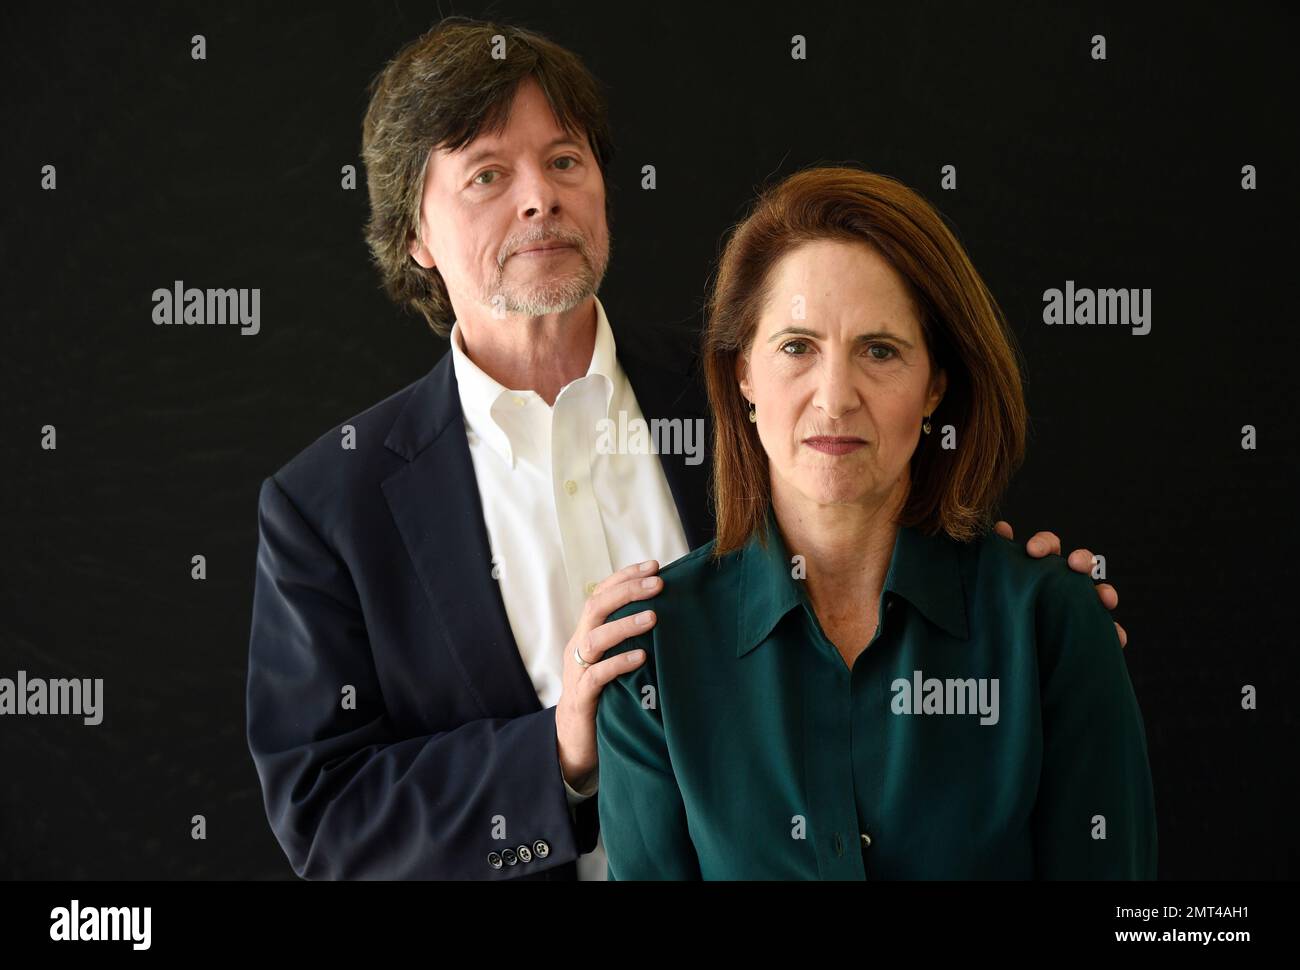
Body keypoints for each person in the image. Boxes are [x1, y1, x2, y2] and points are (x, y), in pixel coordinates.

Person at [246, 17, 1127, 881]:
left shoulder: (762, 394)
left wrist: (1021, 626)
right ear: (415, 235)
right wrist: (560, 751)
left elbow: (887, 572)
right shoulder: (330, 505)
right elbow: (325, 822)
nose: (538, 196)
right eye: (486, 174)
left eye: (565, 161)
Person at [595, 165, 1157, 879]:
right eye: (797, 347)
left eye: (880, 351)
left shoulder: (1049, 625)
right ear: (743, 376)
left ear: (936, 388)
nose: (834, 398)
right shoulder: (652, 657)